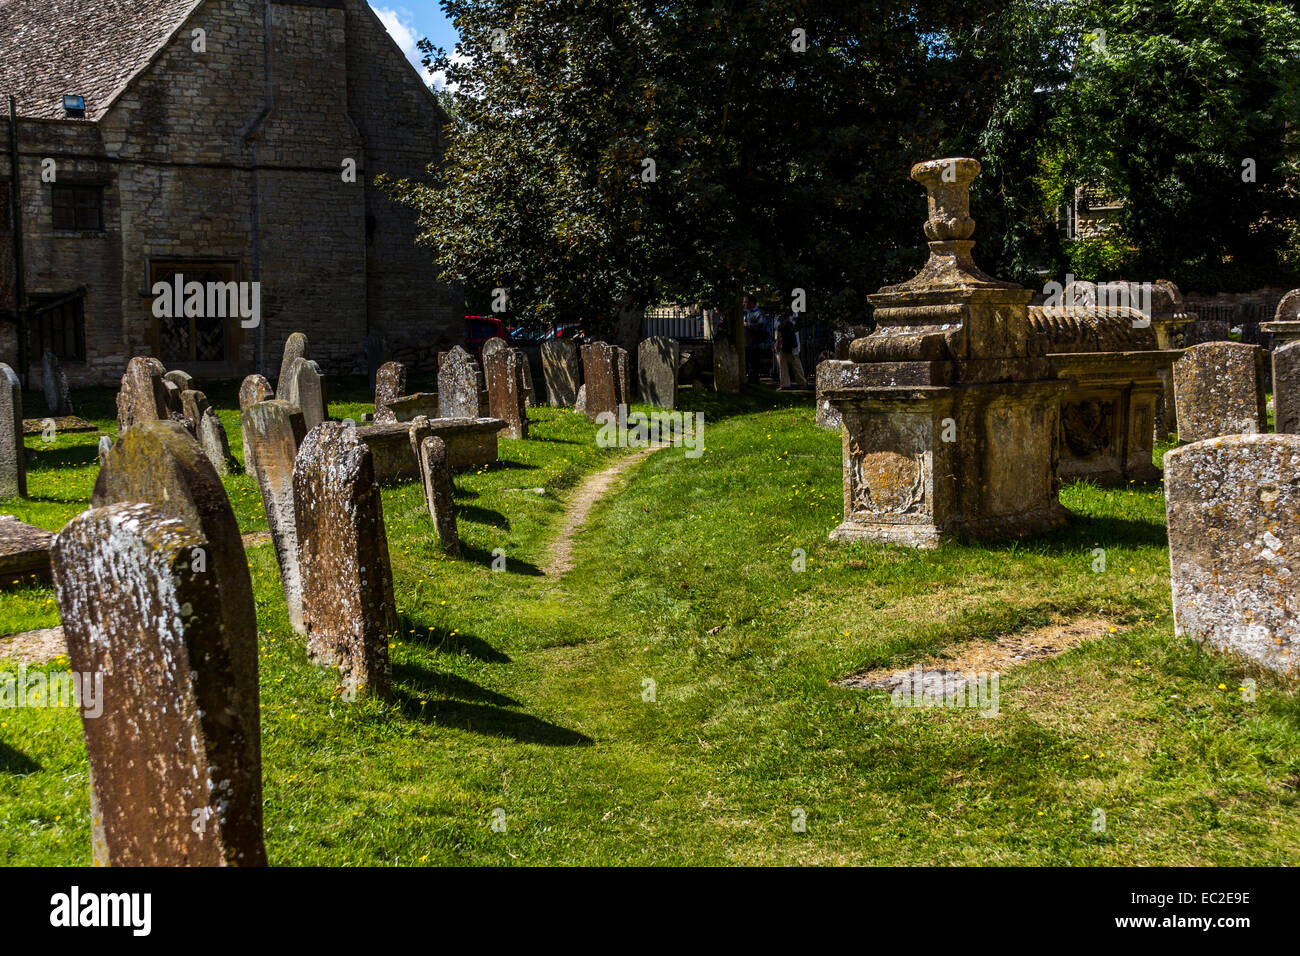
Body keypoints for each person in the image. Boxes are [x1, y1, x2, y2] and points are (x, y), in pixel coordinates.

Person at [774, 312, 807, 389]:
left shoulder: (793, 314)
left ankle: (801, 382)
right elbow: (777, 328)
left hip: (790, 342)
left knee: (795, 362)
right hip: (783, 342)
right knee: (783, 363)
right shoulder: (778, 315)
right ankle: (785, 384)